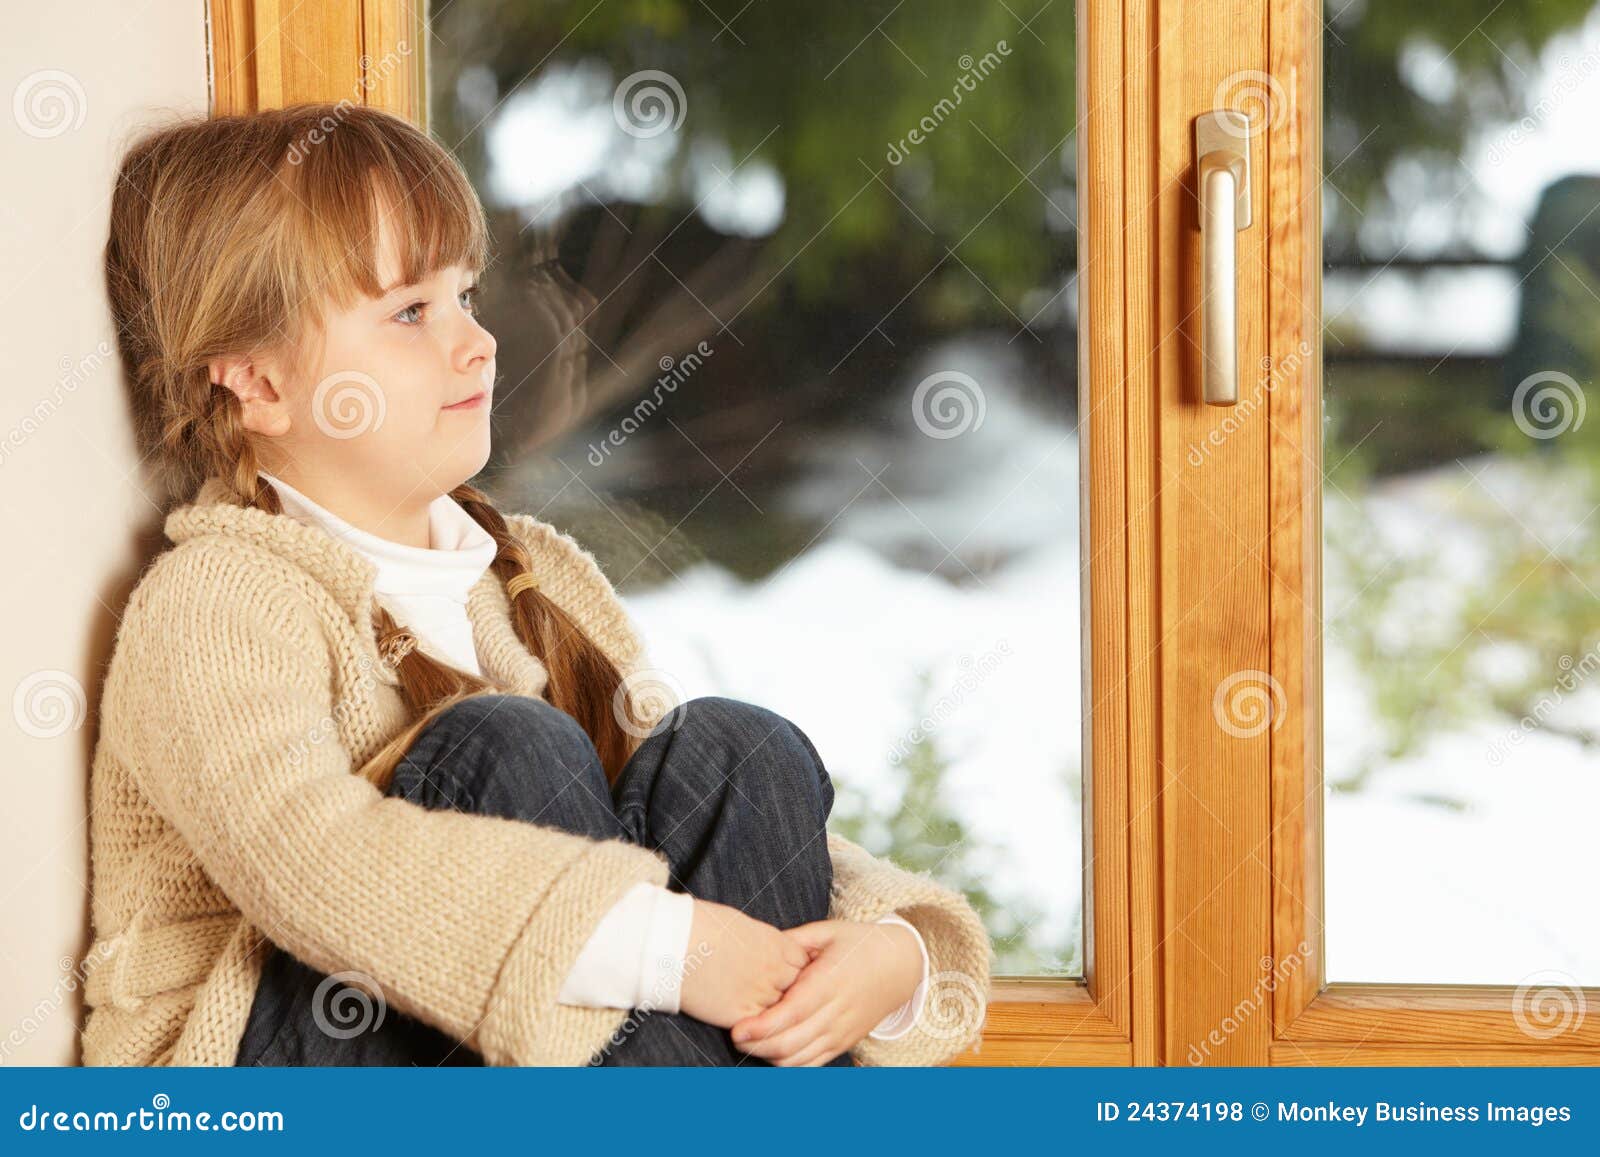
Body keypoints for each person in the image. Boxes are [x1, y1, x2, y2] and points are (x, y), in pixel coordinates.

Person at [80, 103, 992, 1068]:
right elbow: (310, 859)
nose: (476, 343)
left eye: (464, 296)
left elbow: (689, 830)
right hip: (262, 1070)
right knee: (502, 747)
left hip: (535, 1064)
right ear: (258, 384)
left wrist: (892, 954)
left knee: (732, 750)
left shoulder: (531, 570)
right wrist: (678, 952)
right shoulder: (221, 598)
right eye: (409, 313)